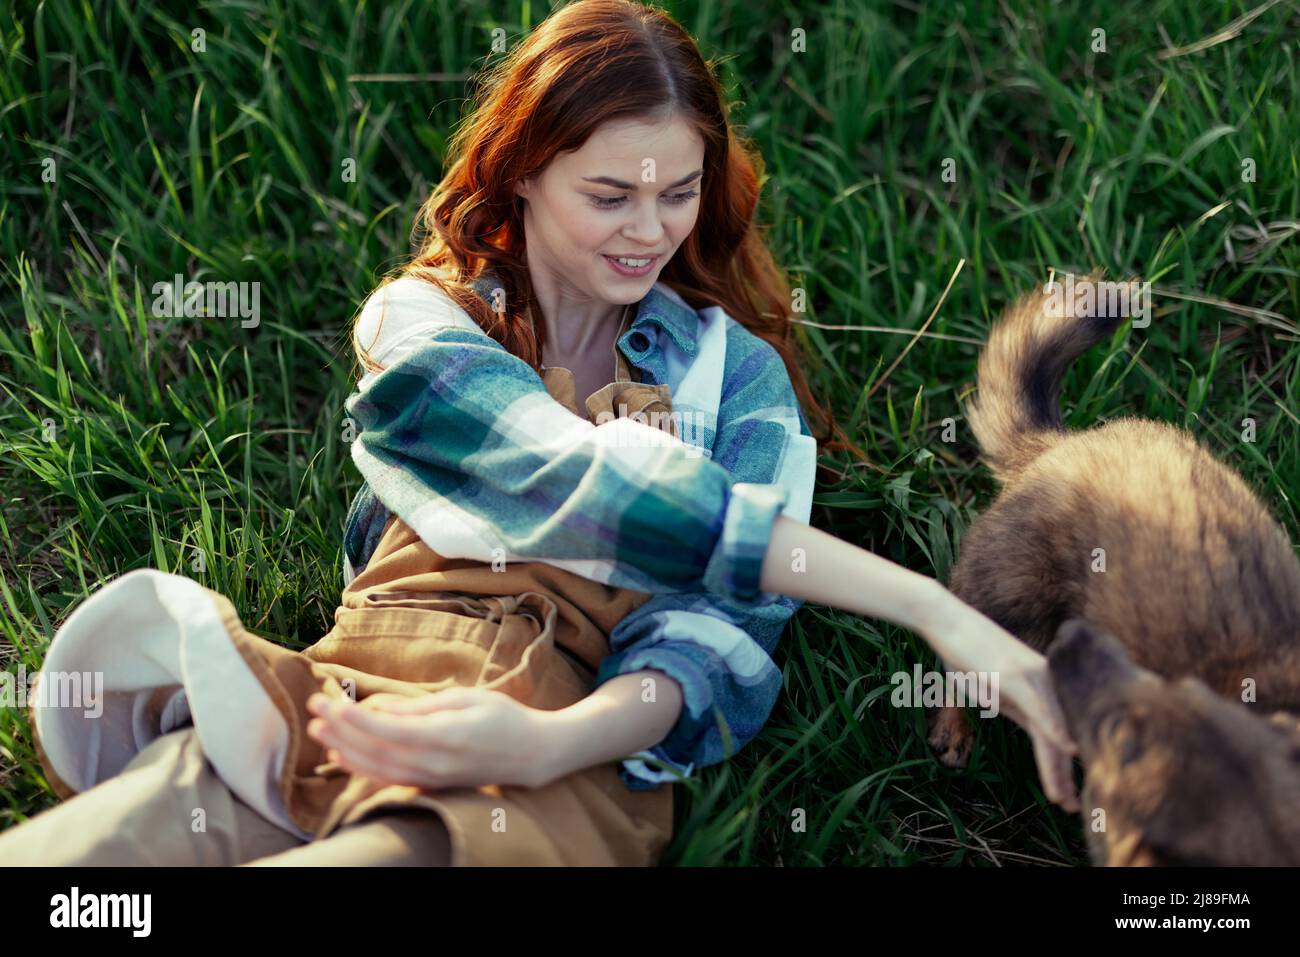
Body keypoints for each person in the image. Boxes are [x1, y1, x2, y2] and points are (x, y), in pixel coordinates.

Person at [0, 0, 1075, 869]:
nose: (650, 230)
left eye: (680, 193)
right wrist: (924, 603)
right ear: (521, 170)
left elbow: (719, 637)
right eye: (609, 194)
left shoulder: (733, 377)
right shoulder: (421, 321)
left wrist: (549, 740)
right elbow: (578, 484)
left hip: (562, 743)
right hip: (347, 688)